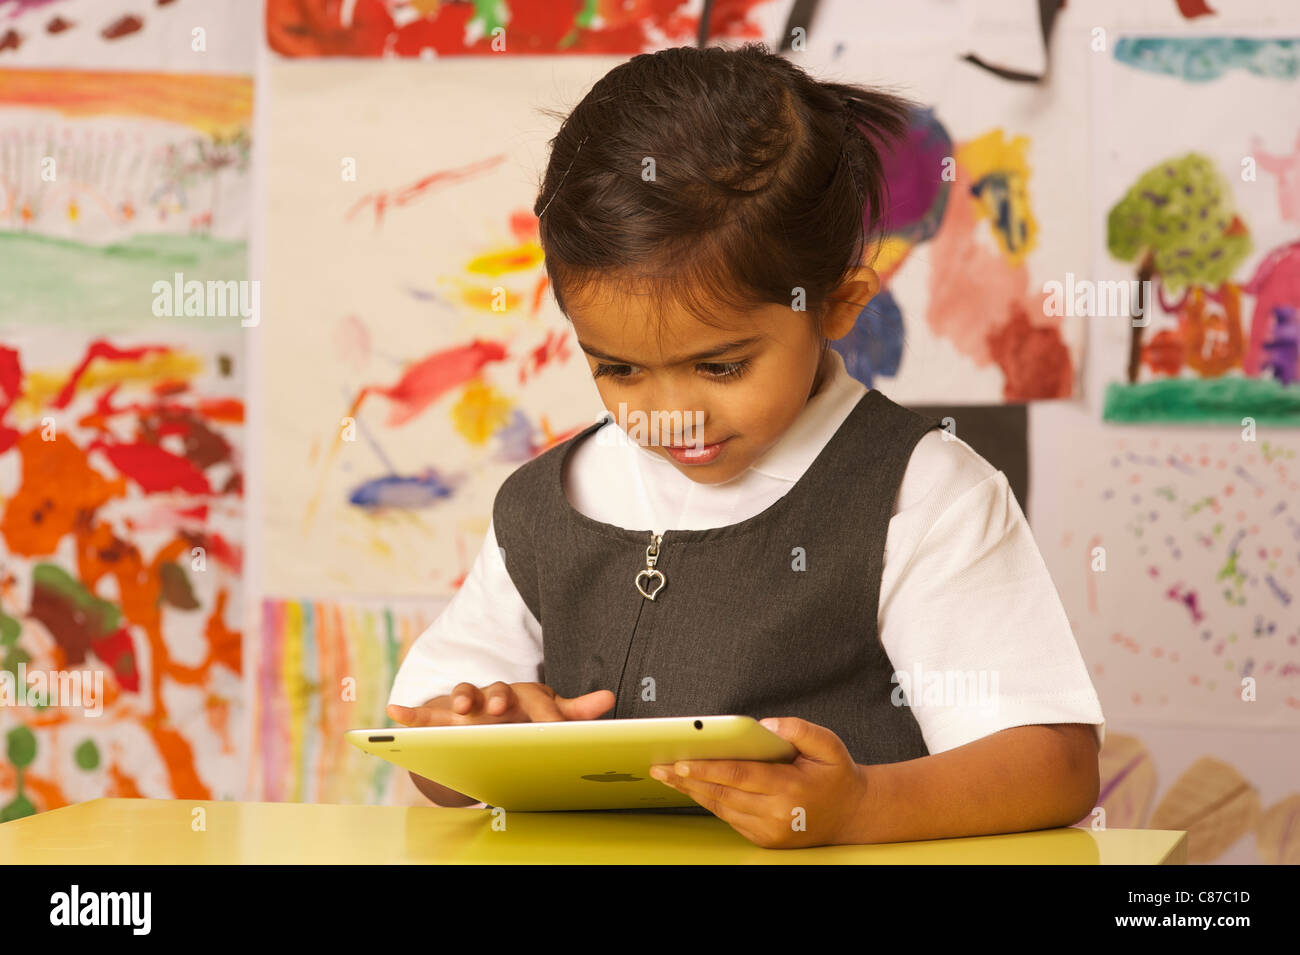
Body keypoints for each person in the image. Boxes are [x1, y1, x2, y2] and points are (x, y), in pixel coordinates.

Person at [387, 42, 1104, 848]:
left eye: (721, 365)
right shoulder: (542, 502)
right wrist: (473, 736)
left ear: (837, 303)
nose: (669, 414)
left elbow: (1055, 765)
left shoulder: (920, 493)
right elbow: (427, 751)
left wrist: (863, 805)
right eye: (618, 368)